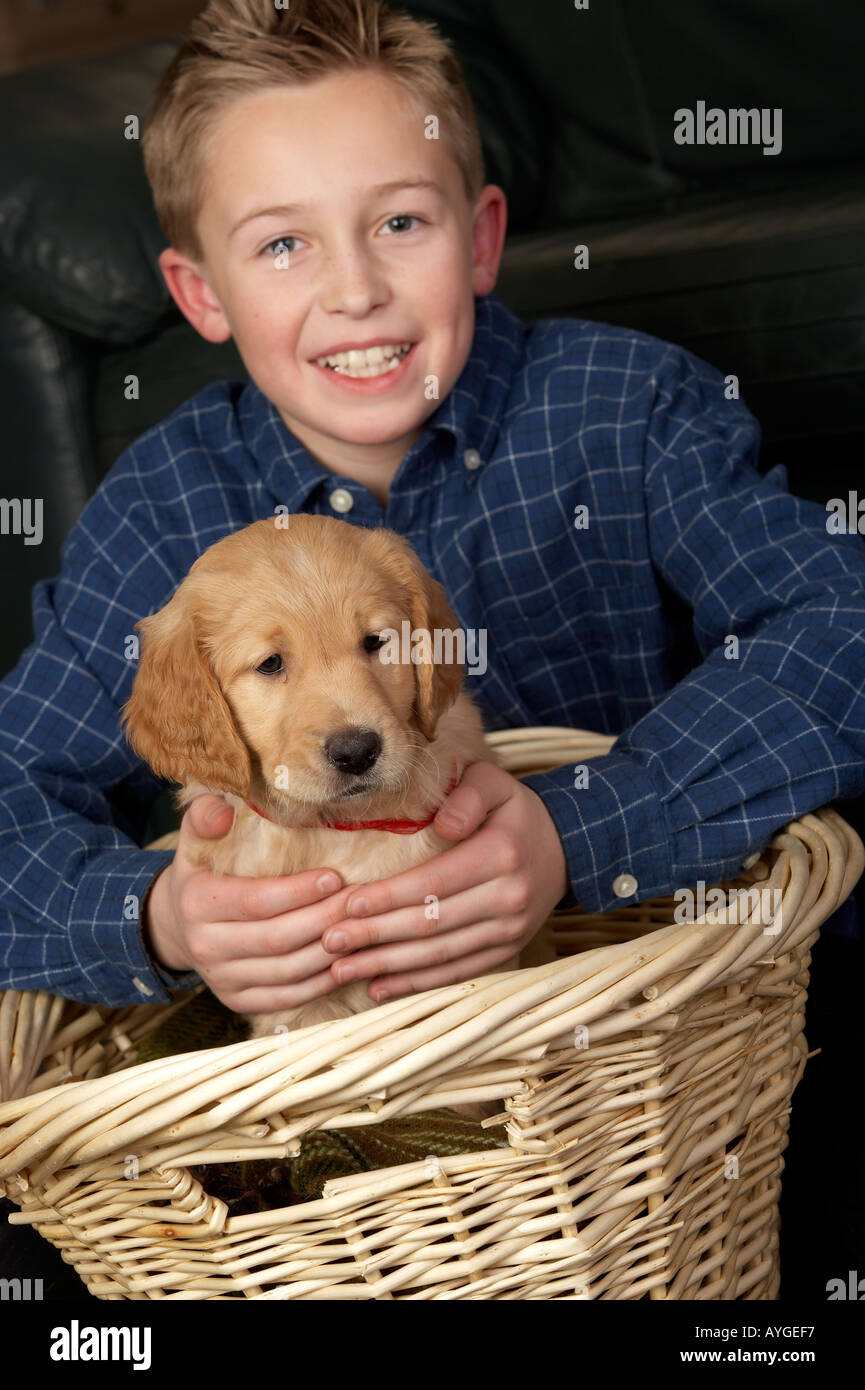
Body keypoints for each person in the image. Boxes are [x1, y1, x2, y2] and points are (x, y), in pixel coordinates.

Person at [1, 0, 863, 1029]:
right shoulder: (158, 508)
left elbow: (837, 623)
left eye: (399, 222)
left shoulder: (626, 406)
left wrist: (579, 834)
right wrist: (159, 919)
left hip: (658, 1040)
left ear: (483, 238)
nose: (355, 289)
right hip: (343, 1098)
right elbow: (16, 785)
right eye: (282, 245)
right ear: (201, 296)